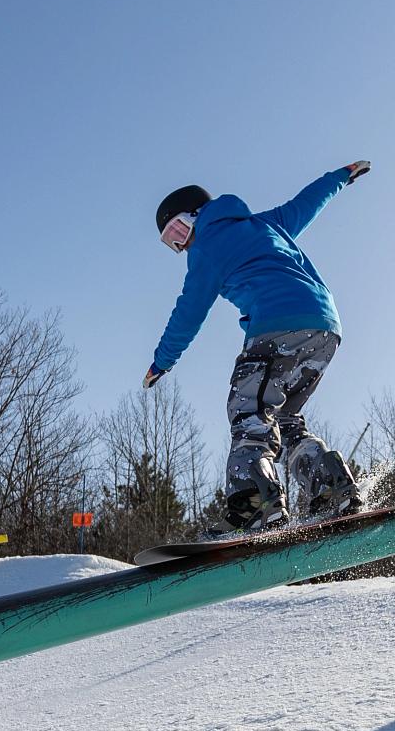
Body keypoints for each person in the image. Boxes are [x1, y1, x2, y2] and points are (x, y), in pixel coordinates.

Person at [146, 162, 372, 533]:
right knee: (283, 420)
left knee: (247, 413)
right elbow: (307, 202)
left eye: (178, 230)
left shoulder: (205, 248)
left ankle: (251, 505)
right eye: (171, 241)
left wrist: (161, 362)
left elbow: (188, 312)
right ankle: (331, 487)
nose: (181, 243)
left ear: (195, 216)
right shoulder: (266, 223)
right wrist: (340, 177)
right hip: (325, 329)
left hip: (276, 329)